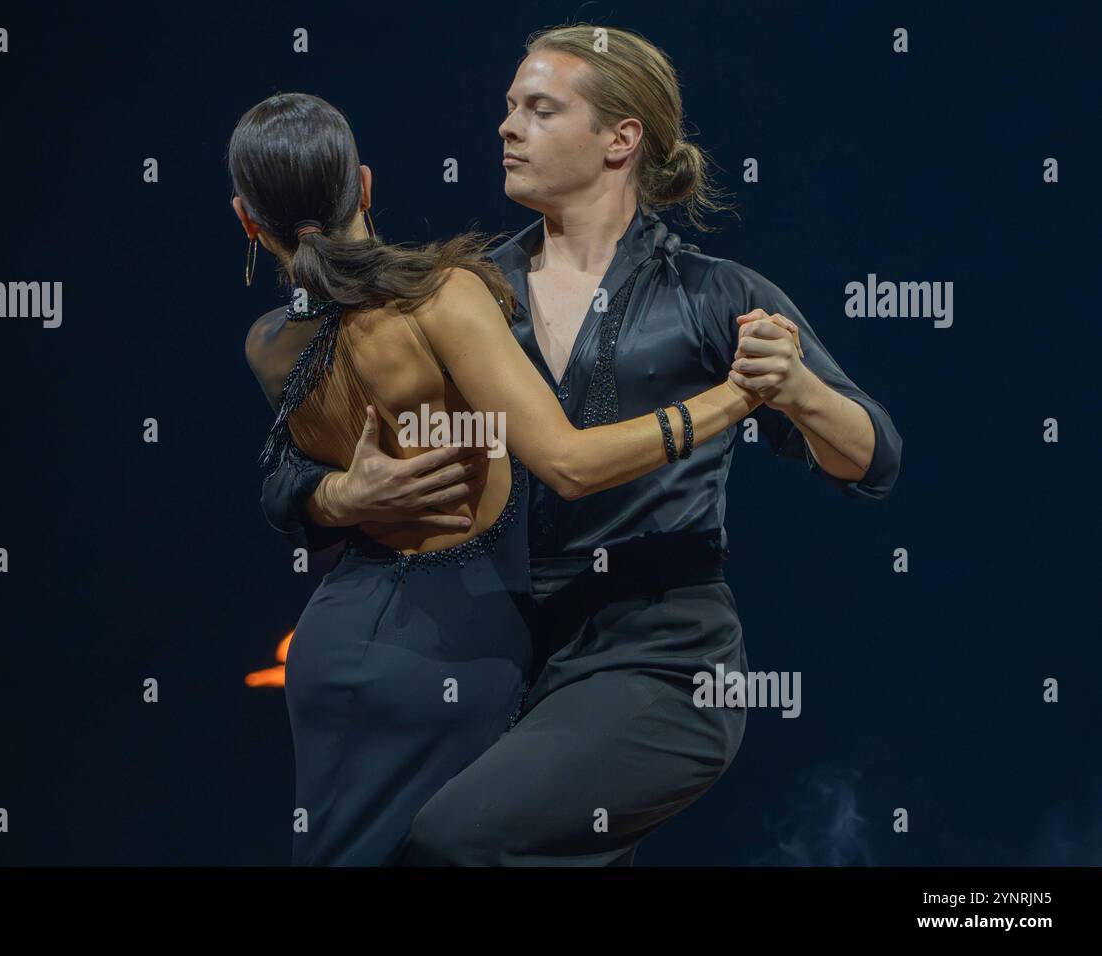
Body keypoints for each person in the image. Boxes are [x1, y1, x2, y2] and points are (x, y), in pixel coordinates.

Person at [258, 25, 903, 866]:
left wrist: (801, 390)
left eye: (539, 108)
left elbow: (872, 457)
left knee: (455, 844)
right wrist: (340, 493)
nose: (506, 126)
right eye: (507, 107)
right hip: (505, 653)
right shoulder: (465, 290)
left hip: (663, 659)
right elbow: (288, 458)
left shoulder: (716, 295)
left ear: (619, 140)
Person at [231, 91, 767, 865]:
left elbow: (288, 474)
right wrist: (732, 400)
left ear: (248, 219)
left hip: (331, 643)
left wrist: (336, 496)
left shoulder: (265, 345)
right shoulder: (444, 296)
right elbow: (570, 463)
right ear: (366, 186)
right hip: (460, 639)